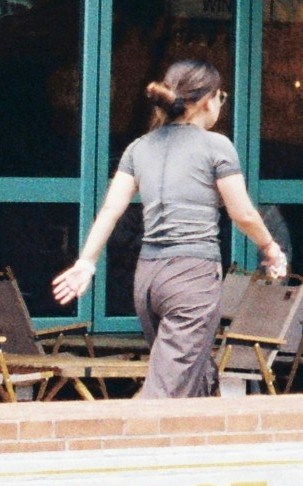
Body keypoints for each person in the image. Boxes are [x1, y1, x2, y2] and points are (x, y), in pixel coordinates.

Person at [53, 59, 289, 398]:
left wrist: (86, 263)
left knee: (192, 374)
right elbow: (244, 214)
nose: (221, 103)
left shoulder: (139, 147)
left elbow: (110, 209)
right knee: (168, 389)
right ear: (209, 99)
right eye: (222, 96)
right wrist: (271, 248)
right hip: (191, 277)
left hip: (148, 279)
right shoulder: (216, 146)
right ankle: (132, 446)